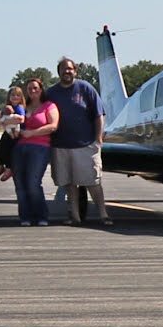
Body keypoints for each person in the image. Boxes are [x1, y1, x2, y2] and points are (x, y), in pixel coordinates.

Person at [45, 56, 110, 225]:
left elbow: (99, 114)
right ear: (58, 72)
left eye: (70, 69)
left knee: (93, 182)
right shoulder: (51, 93)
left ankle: (103, 214)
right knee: (69, 184)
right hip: (61, 146)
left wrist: (98, 139)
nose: (67, 72)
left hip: (85, 145)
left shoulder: (86, 88)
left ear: (75, 71)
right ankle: (75, 216)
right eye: (63, 69)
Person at [12, 77, 57, 226]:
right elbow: (8, 119)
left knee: (33, 182)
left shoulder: (48, 106)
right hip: (19, 148)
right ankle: (25, 217)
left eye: (35, 88)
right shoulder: (23, 107)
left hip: (40, 147)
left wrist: (32, 133)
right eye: (30, 88)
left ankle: (41, 216)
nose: (32, 91)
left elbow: (53, 126)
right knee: (20, 184)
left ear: (41, 89)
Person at [0, 84, 25, 183]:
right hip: (7, 131)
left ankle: (9, 168)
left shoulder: (20, 107)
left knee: (9, 146)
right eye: (13, 95)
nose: (15, 97)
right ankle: (1, 165)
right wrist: (2, 122)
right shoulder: (6, 108)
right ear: (9, 97)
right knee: (2, 145)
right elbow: (0, 120)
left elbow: (21, 119)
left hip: (16, 131)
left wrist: (6, 122)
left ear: (21, 97)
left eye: (17, 95)